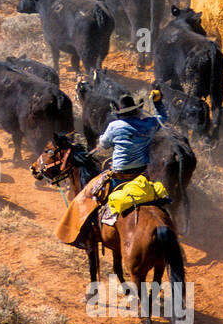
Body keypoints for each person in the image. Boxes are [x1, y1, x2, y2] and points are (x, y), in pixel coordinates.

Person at [55, 93, 163, 245]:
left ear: (121, 112)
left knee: (86, 196)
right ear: (136, 111)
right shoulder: (149, 123)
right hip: (142, 174)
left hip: (119, 176)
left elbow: (104, 143)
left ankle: (83, 236)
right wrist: (158, 102)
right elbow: (162, 118)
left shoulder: (114, 126)